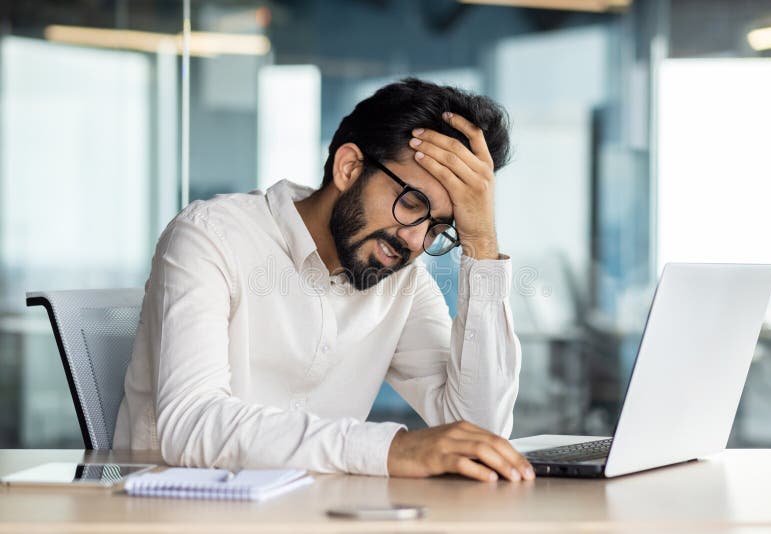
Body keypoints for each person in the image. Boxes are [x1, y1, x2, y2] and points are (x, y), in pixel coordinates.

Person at [113, 78, 532, 483]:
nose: (414, 239)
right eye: (411, 203)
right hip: (176, 515)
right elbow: (190, 424)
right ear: (349, 167)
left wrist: (481, 241)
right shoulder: (210, 236)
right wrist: (390, 450)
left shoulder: (403, 283)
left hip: (316, 515)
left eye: (438, 229)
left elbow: (478, 432)